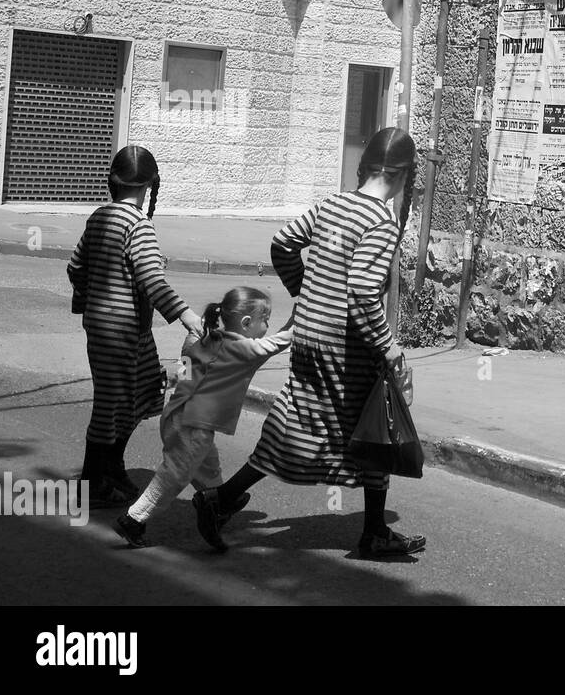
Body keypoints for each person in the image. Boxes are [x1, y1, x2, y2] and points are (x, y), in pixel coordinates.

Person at [195, 127, 424, 558]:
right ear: (402, 176)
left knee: (297, 420)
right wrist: (387, 345)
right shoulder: (381, 220)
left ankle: (221, 501)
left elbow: (283, 243)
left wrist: (310, 292)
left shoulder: (333, 203)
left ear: (365, 167)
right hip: (347, 346)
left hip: (309, 335)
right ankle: (374, 532)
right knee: (377, 427)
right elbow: (360, 290)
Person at [67, 146, 204, 508]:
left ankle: (112, 467)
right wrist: (186, 315)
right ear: (148, 186)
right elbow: (151, 279)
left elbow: (75, 268)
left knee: (143, 393)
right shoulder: (138, 224)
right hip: (123, 331)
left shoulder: (98, 217)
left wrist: (87, 300)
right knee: (110, 405)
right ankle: (93, 484)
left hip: (108, 329)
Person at [113, 287, 295, 549]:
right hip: (194, 425)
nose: (267, 325)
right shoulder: (243, 350)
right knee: (173, 477)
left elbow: (185, 365)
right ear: (246, 323)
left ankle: (216, 507)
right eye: (265, 319)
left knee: (208, 469)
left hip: (178, 414)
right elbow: (279, 342)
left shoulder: (211, 340)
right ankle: (134, 519)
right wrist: (299, 319)